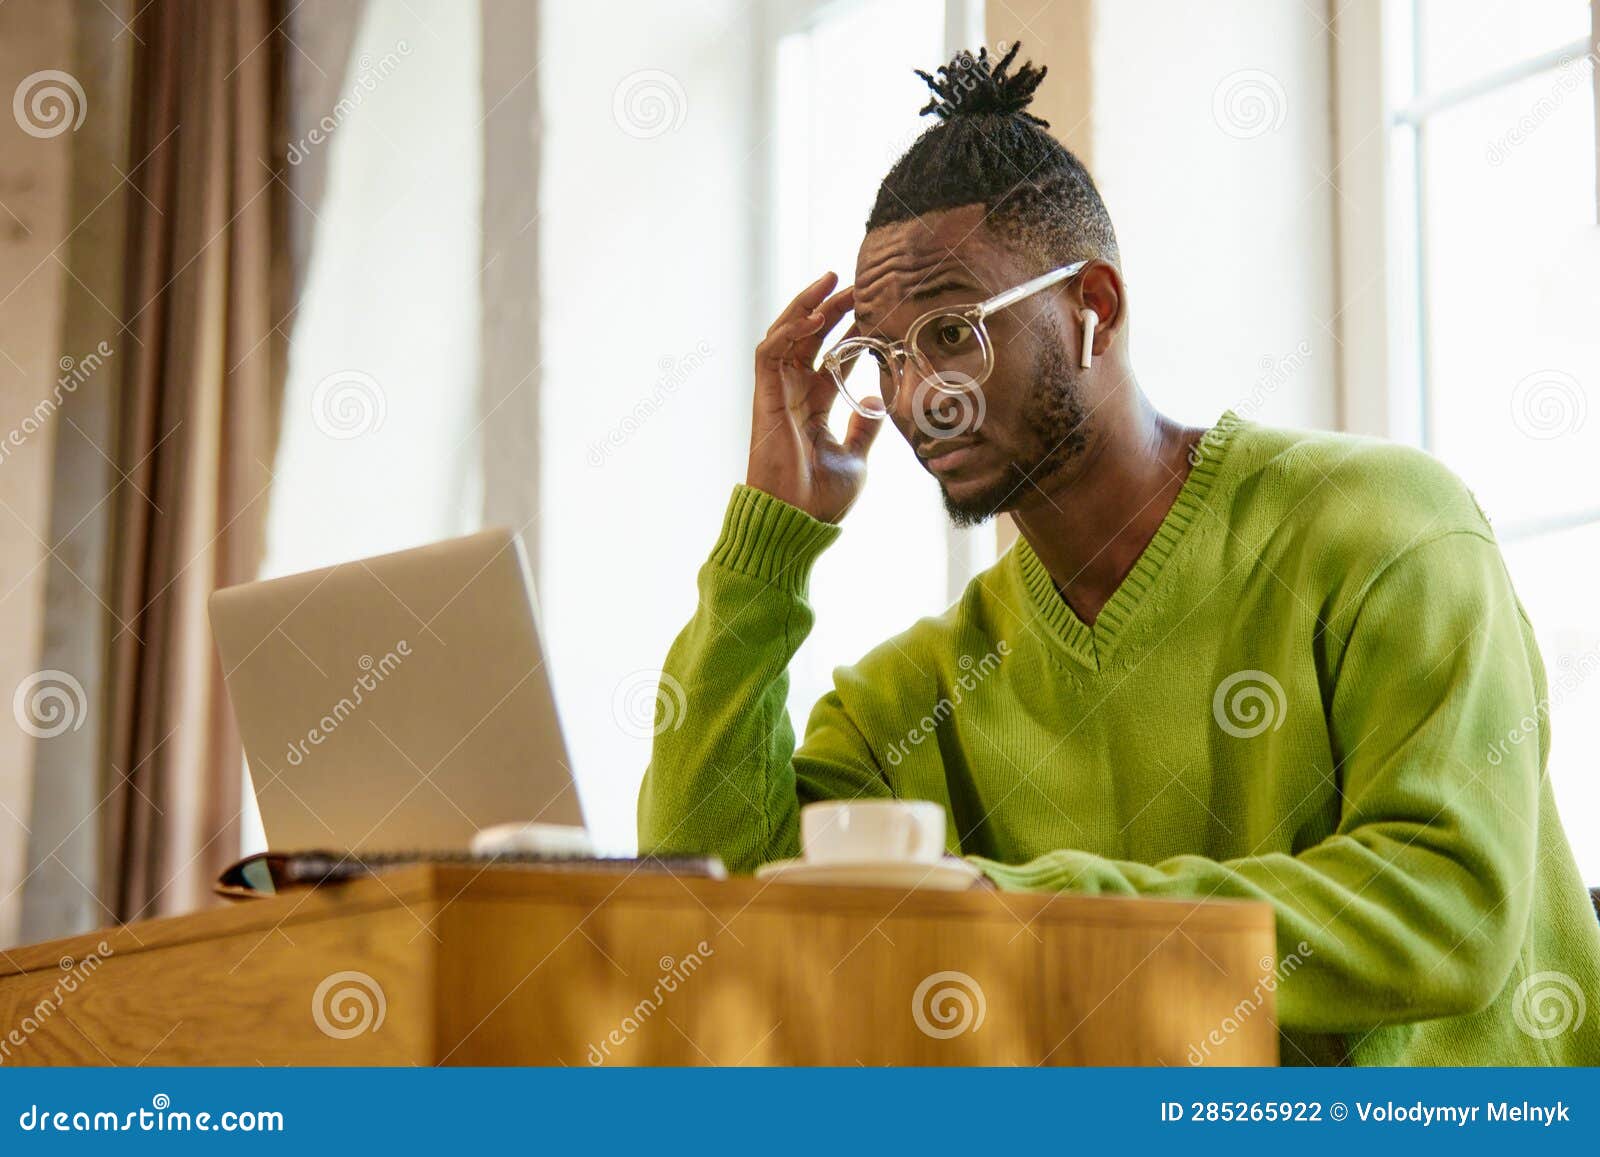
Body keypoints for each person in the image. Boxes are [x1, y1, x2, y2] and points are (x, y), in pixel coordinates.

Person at [636, 43, 1600, 1065]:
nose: (917, 396)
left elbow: (1447, 907)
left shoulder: (1382, 524)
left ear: (1093, 308)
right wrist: (771, 543)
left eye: (953, 332)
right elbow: (712, 909)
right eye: (880, 355)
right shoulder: (915, 696)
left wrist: (1007, 911)